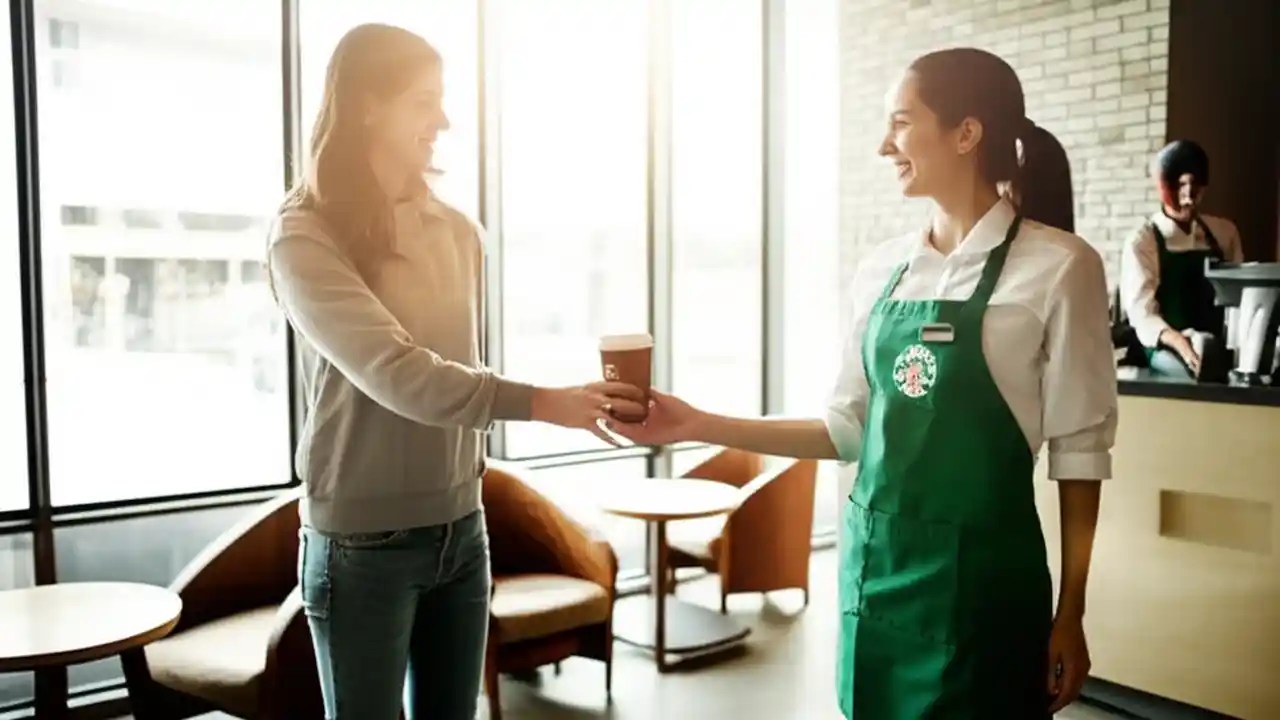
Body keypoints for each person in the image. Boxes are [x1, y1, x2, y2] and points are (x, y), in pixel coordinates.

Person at [613, 48, 1116, 718]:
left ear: (966, 133)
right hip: (875, 581)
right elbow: (845, 429)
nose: (886, 144)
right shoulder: (883, 271)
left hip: (984, 589)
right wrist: (696, 422)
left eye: (902, 123)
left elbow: (1080, 454)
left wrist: (1071, 612)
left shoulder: (1060, 267)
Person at [267, 24, 644, 720]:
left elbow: (457, 371)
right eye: (424, 100)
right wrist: (545, 403)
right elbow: (398, 372)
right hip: (361, 547)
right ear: (367, 105)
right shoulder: (303, 235)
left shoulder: (459, 233)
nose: (442, 120)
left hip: (462, 530)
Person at [1120, 140, 1244, 378]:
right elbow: (1142, 315)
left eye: (1195, 185)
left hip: (1211, 344)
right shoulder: (1143, 240)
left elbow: (1237, 299)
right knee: (1196, 378)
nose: (1188, 196)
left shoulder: (1224, 233)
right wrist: (1179, 342)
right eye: (1179, 185)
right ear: (1164, 186)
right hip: (1161, 344)